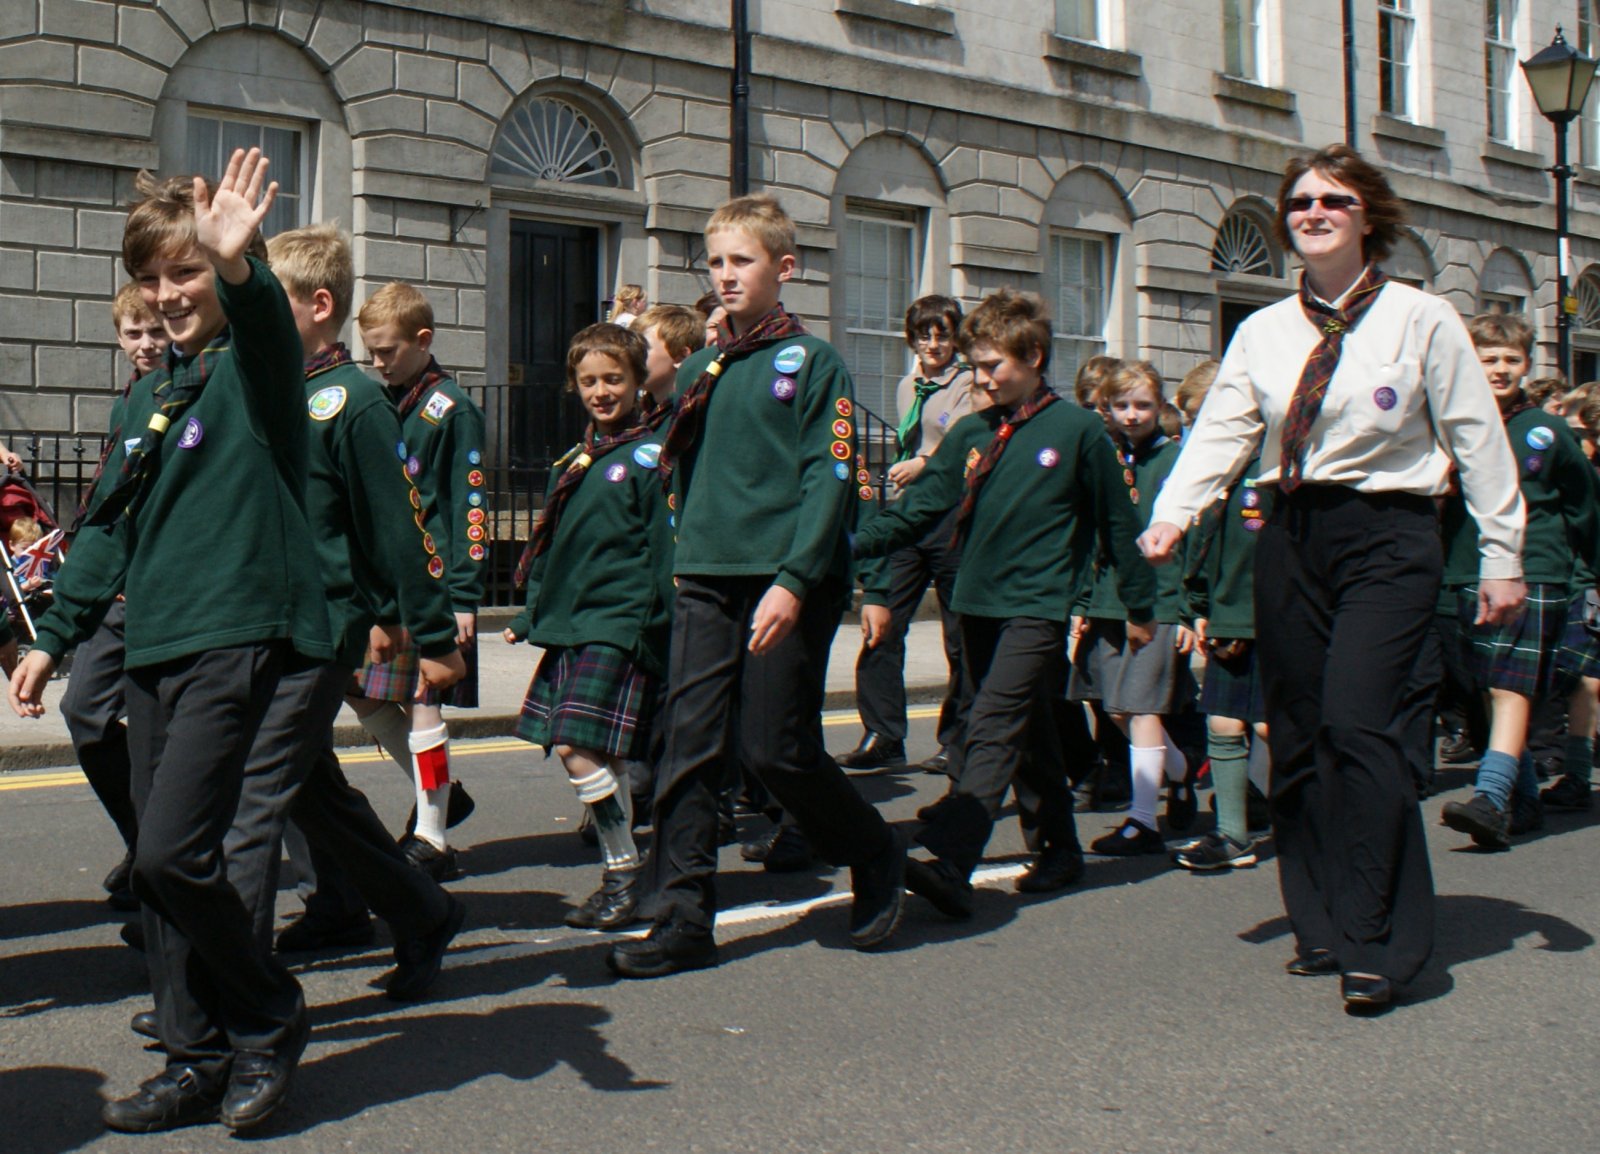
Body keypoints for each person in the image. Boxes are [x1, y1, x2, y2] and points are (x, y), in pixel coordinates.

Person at [1139, 144, 1525, 1011]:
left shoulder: (1422, 318)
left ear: (1369, 217)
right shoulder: (1265, 331)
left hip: (1389, 535)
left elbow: (1476, 439)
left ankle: (1384, 938)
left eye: (1335, 201)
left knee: (1362, 727)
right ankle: (1322, 920)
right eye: (1301, 201)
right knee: (1302, 736)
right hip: (1292, 533)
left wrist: (1503, 553)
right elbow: (1222, 431)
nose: (1313, 212)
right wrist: (1175, 512)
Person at [10, 149, 330, 1131]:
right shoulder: (147, 399)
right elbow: (105, 527)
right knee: (160, 873)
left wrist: (240, 267)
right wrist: (51, 637)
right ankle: (194, 1053)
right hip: (152, 645)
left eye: (184, 273)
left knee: (171, 856)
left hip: (239, 638)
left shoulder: (255, 375)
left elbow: (271, 334)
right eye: (153, 277)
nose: (168, 293)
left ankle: (267, 1013)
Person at [606, 193, 907, 978]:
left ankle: (876, 853)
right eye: (716, 261)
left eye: (742, 261)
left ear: (784, 268)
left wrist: (797, 579)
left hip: (782, 584)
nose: (727, 275)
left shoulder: (812, 364)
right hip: (705, 579)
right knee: (689, 748)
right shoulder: (703, 367)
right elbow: (675, 470)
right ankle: (682, 914)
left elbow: (831, 477)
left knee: (776, 751)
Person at [216, 222, 467, 991]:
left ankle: (229, 985)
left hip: (324, 631)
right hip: (266, 621)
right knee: (312, 795)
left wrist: (427, 629)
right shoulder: (273, 389)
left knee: (252, 803)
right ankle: (414, 909)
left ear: (319, 305)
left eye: (269, 301)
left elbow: (403, 527)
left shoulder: (352, 401)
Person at [853, 289, 1155, 914]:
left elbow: (1117, 525)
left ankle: (952, 860)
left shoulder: (1076, 432)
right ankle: (1059, 850)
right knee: (1031, 732)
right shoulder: (971, 432)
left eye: (993, 366)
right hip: (978, 603)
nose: (982, 378)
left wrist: (1140, 606)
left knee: (989, 726)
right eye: (977, 366)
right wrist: (844, 547)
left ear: (1034, 356)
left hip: (1037, 608)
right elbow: (917, 513)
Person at [504, 323, 673, 930]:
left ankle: (623, 871)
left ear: (636, 381)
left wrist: (663, 628)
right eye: (588, 381)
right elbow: (551, 549)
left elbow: (665, 553)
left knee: (577, 747)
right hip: (573, 623)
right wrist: (529, 615)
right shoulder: (574, 462)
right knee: (603, 755)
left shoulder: (650, 458)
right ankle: (632, 870)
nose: (600, 392)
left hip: (620, 622)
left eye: (613, 379)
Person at [1438, 313, 1597, 849]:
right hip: (1468, 568)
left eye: (1511, 359)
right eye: (1489, 359)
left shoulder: (1544, 430)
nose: (1500, 369)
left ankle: (1490, 796)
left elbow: (1582, 502)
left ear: (1528, 364)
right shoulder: (1455, 423)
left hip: (1536, 570)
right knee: (1488, 684)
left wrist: (1583, 568)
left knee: (1509, 685)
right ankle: (1524, 801)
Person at [350, 282, 487, 880]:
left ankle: (432, 836)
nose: (378, 362)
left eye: (387, 351)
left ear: (423, 341)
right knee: (364, 693)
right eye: (371, 352)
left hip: (434, 586)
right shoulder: (387, 403)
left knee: (426, 704)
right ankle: (442, 792)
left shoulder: (452, 409)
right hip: (387, 586)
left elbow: (471, 509)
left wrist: (463, 594)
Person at [60, 282, 170, 913]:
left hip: (161, 593)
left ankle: (338, 890)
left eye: (155, 330)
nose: (147, 344)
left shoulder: (181, 389)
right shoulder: (126, 401)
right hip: (117, 592)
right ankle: (143, 841)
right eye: (134, 333)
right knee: (84, 713)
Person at [839, 295, 976, 775]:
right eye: (924, 334)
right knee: (882, 623)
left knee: (960, 639)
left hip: (952, 516)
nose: (933, 344)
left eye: (942, 334)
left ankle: (957, 741)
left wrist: (922, 464)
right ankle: (883, 733)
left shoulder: (969, 386)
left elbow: (962, 447)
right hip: (909, 516)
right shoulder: (907, 386)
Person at [1069, 360, 1197, 856]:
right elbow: (1091, 534)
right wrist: (1081, 602)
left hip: (1159, 601)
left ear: (1159, 407)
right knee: (1117, 709)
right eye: (1120, 405)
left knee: (1141, 707)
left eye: (1142, 405)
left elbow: (1195, 539)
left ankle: (1143, 820)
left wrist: (1189, 609)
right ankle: (1182, 771)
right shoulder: (1102, 457)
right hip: (1107, 600)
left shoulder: (1176, 462)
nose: (1130, 414)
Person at [1173, 358, 1271, 870]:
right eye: (1189, 420)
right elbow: (1198, 549)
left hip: (1277, 618)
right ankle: (1233, 834)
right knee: (1226, 723)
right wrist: (1197, 608)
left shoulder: (1270, 471)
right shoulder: (1209, 478)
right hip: (1229, 617)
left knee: (1274, 728)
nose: (1194, 430)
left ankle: (1298, 815)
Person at [632, 303, 704, 424]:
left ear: (681, 356)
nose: (631, 356)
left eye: (642, 348)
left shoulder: (692, 416)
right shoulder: (641, 414)